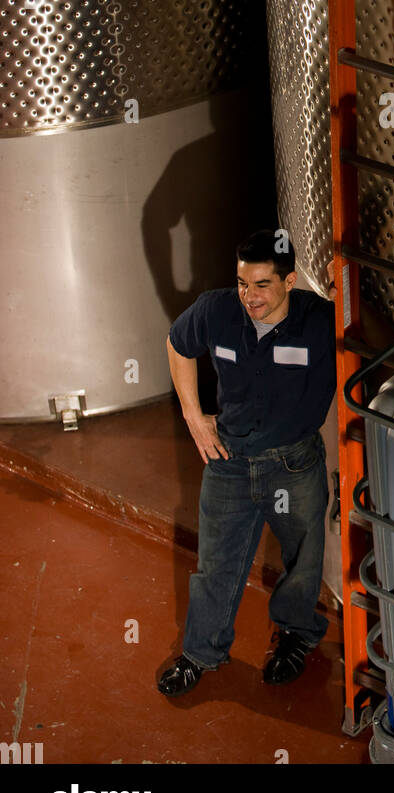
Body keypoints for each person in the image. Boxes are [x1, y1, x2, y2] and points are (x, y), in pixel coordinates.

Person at [157, 229, 338, 696]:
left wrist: (351, 290)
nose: (249, 296)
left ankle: (296, 635)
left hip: (294, 464)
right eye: (242, 283)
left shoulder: (320, 321)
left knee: (302, 561)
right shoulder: (216, 310)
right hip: (230, 460)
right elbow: (178, 343)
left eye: (262, 285)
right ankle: (201, 652)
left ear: (289, 281)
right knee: (215, 563)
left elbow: (378, 343)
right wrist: (194, 417)